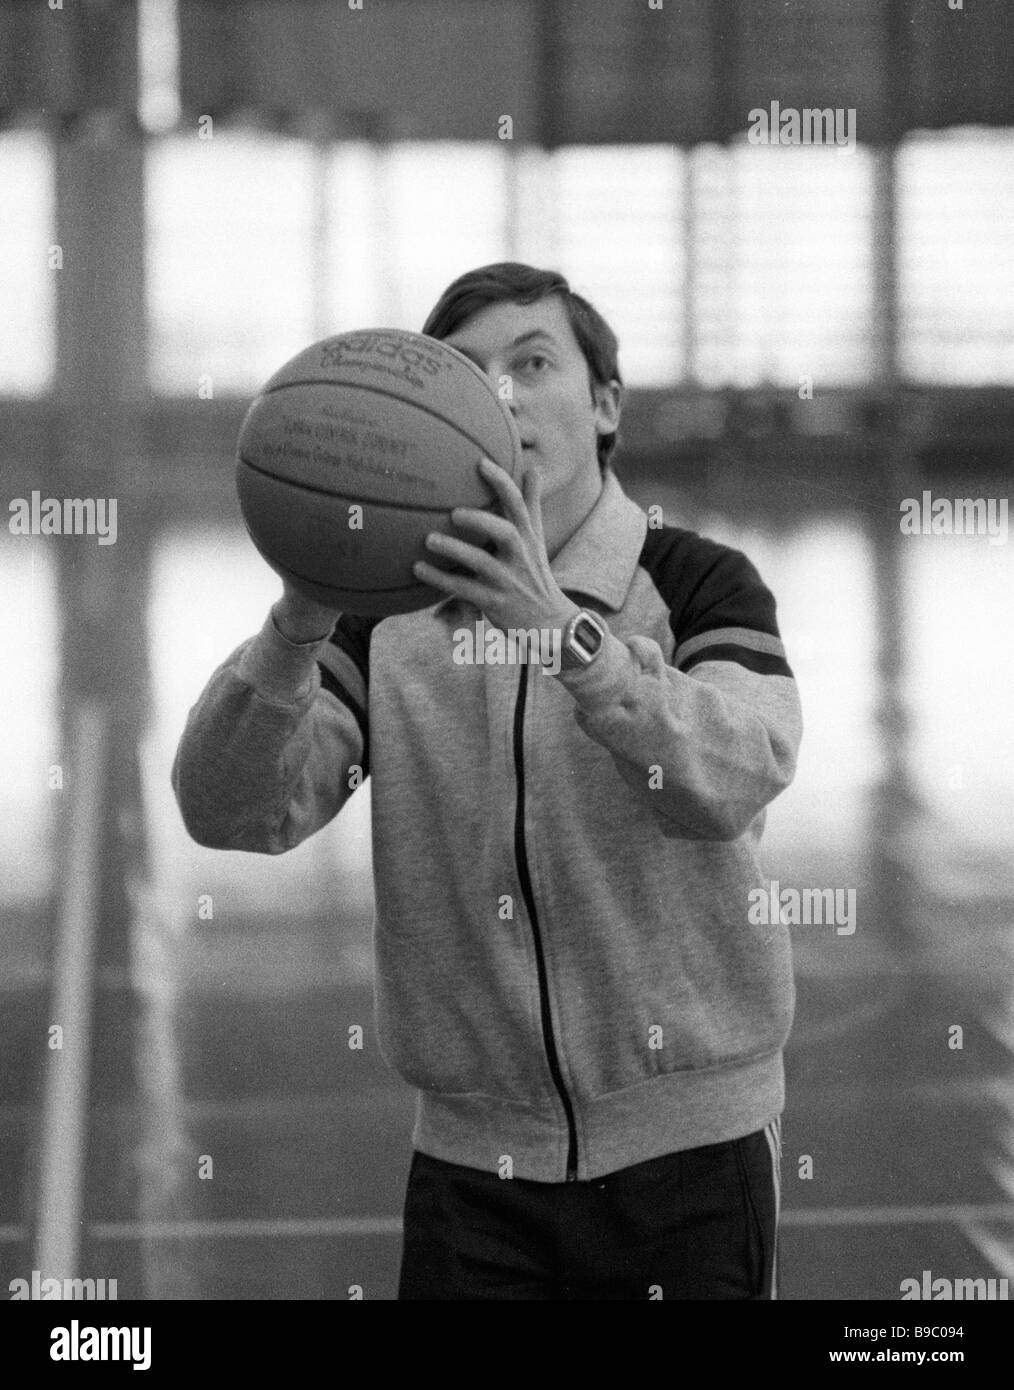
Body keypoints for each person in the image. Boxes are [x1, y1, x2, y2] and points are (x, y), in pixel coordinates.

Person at [172, 262, 803, 1300]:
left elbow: (732, 775)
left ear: (604, 405)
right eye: (465, 371)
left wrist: (565, 635)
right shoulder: (383, 620)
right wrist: (295, 621)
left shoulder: (696, 582)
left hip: (693, 1156)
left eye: (533, 361)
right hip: (476, 1167)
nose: (499, 393)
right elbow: (232, 808)